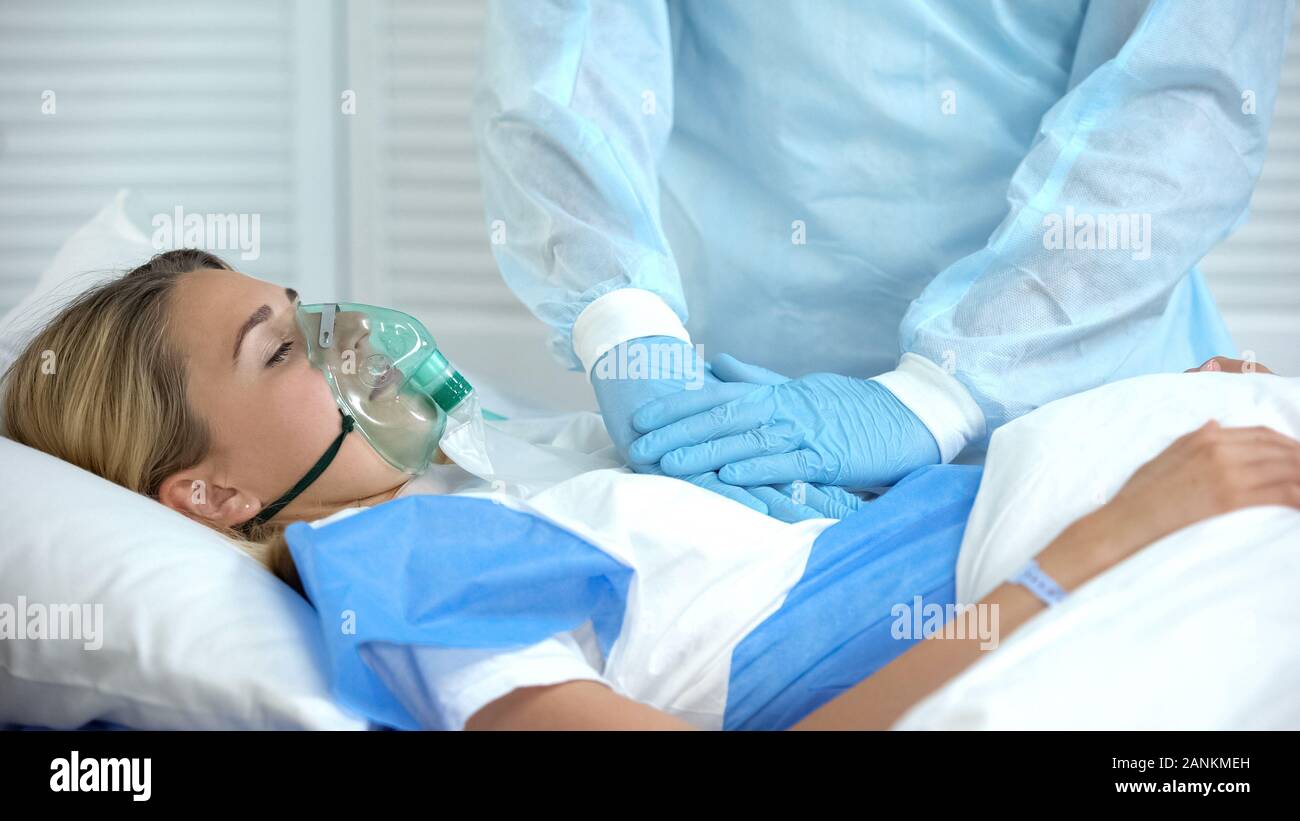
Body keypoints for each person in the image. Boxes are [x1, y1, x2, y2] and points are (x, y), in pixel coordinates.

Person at [4, 251, 1296, 730]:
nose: (349, 336)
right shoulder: (398, 573)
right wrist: (1095, 542)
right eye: (282, 349)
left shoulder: (492, 485)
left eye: (304, 305)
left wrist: (1137, 430)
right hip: (1051, 571)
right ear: (211, 493)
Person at [471, 0, 1293, 511]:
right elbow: (566, 48)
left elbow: (1184, 102)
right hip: (740, 410)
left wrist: (950, 390)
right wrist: (624, 321)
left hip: (1078, 389)